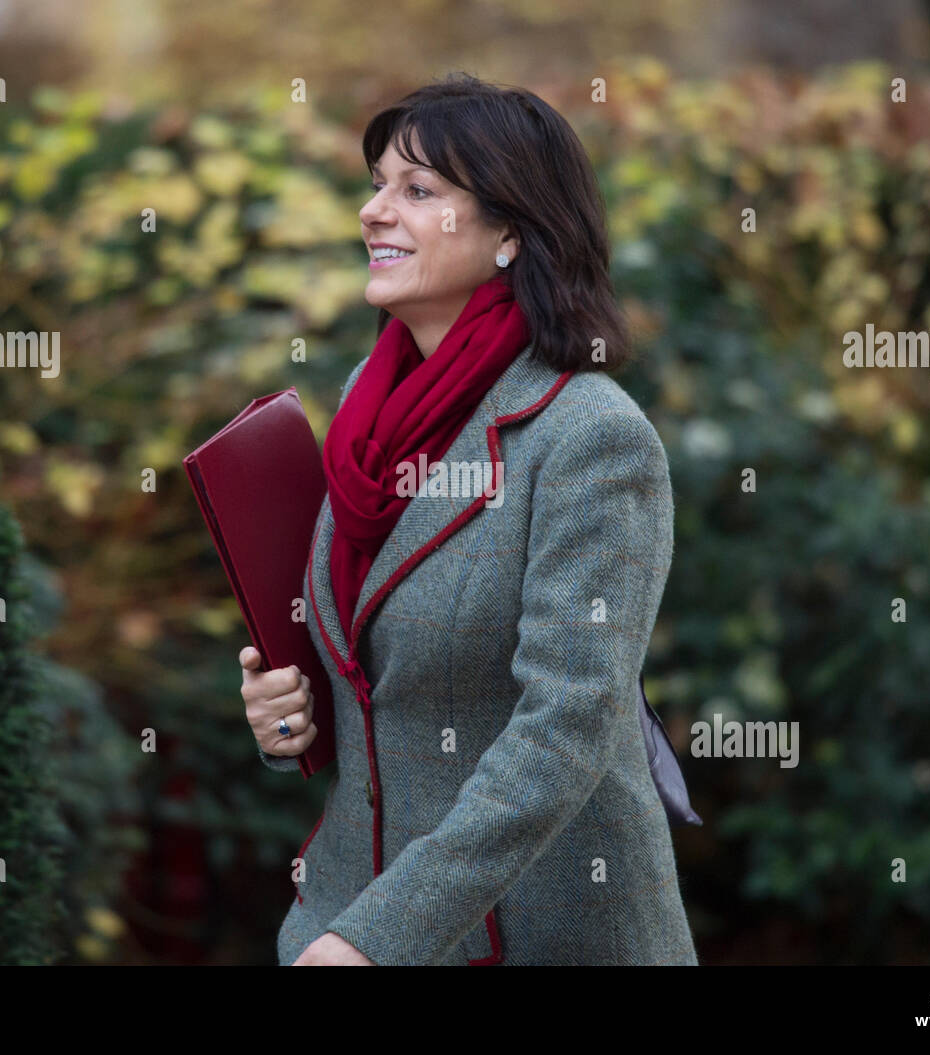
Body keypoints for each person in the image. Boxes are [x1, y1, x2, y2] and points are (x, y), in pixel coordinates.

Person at [240, 73, 698, 966]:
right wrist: (287, 718)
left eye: (418, 192)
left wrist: (379, 936)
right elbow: (375, 684)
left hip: (536, 935)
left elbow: (567, 725)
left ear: (510, 236)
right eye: (376, 183)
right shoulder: (366, 417)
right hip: (339, 911)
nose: (374, 211)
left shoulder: (592, 438)